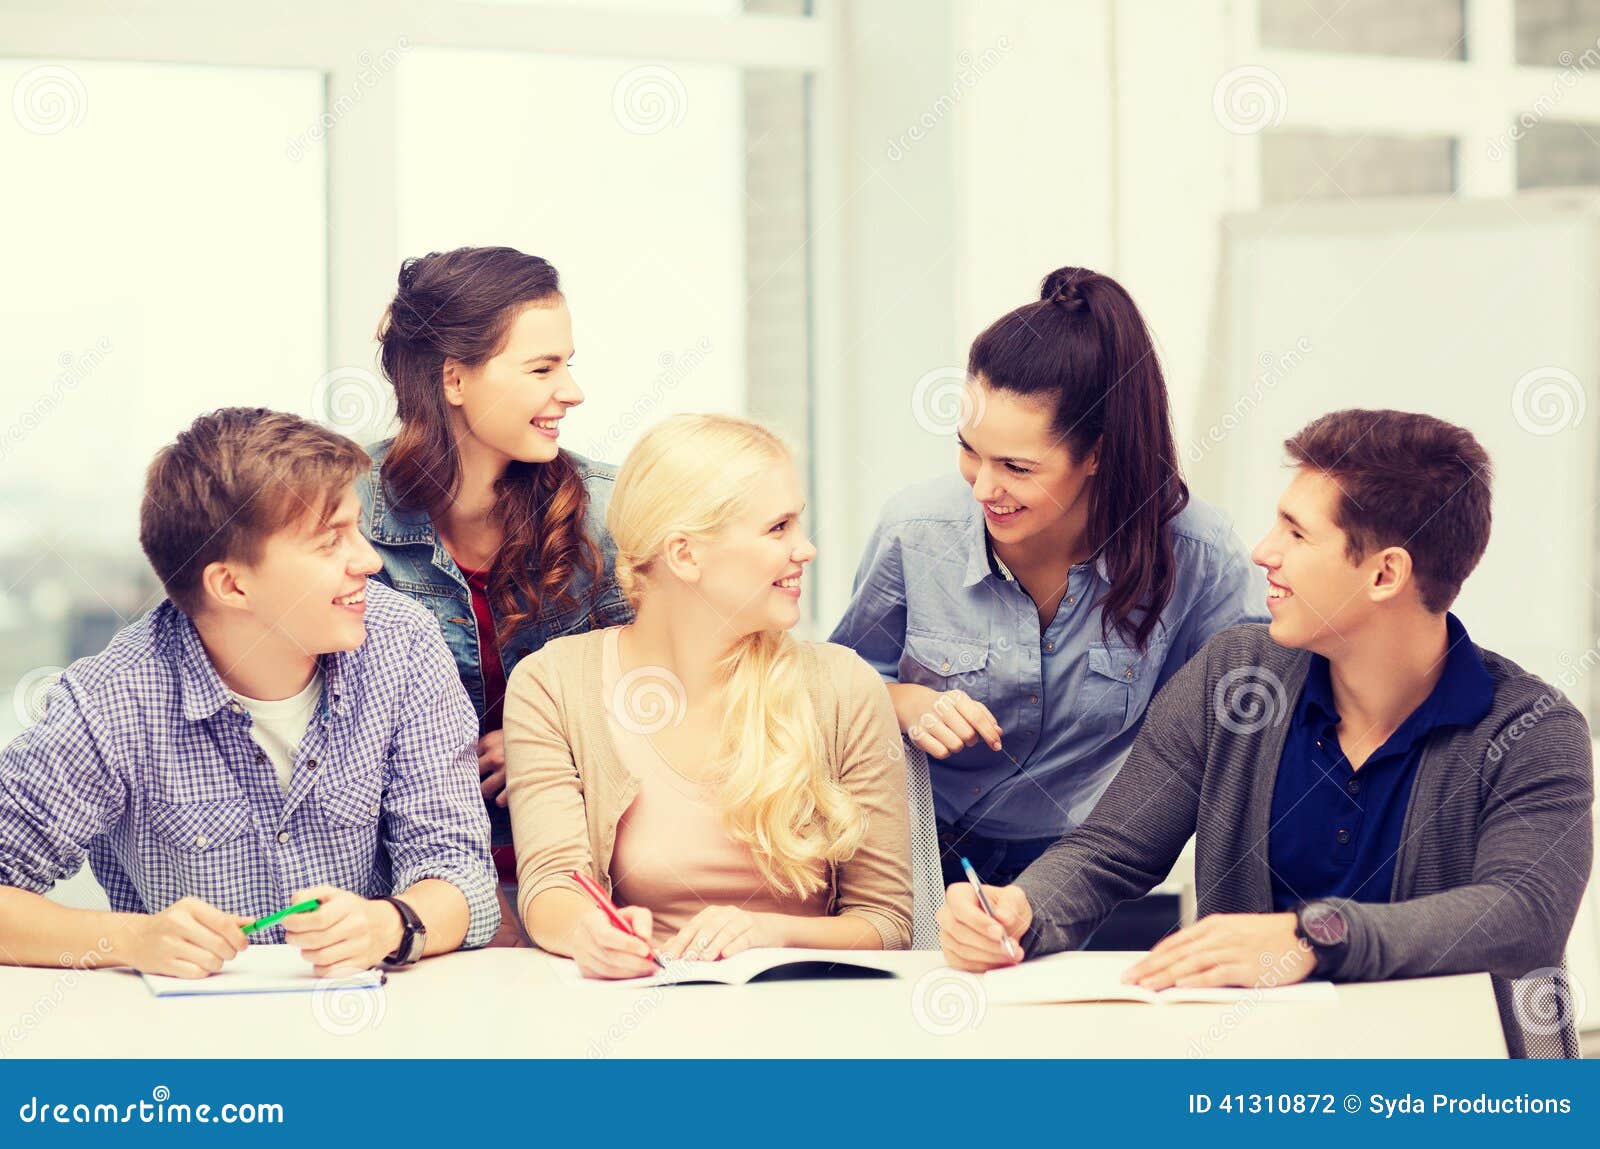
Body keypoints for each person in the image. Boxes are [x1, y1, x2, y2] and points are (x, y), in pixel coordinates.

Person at [938, 409, 1595, 1058]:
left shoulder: (1532, 730)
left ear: (1385, 573)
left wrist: (1312, 938)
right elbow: (1111, 849)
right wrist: (1023, 908)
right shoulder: (1235, 675)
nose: (1263, 552)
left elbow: (1521, 915)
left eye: (1297, 533)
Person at [0, 409, 498, 977]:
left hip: (369, 1031)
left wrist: (390, 922)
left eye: (357, 529)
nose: (369, 560)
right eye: (330, 541)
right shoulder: (113, 700)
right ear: (232, 584)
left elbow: (460, 871)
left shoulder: (403, 645)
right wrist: (134, 939)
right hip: (191, 1044)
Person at [832, 266, 1263, 889]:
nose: (983, 487)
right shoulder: (914, 530)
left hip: (1086, 865)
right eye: (968, 450)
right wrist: (909, 703)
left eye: (1016, 466)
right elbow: (841, 689)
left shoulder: (1199, 553)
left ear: (1098, 454)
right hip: (914, 848)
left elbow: (1232, 731)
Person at [504, 414, 912, 978]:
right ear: (686, 555)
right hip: (635, 1004)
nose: (806, 549)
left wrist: (770, 935)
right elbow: (551, 886)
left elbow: (886, 923)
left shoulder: (843, 686)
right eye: (778, 528)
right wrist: (588, 935)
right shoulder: (551, 686)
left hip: (808, 1015)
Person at [357, 246, 631, 944]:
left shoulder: (610, 510)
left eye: (568, 363)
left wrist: (558, 735)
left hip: (590, 884)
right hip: (406, 892)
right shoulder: (346, 514)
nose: (571, 390)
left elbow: (689, 687)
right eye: (542, 369)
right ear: (453, 378)